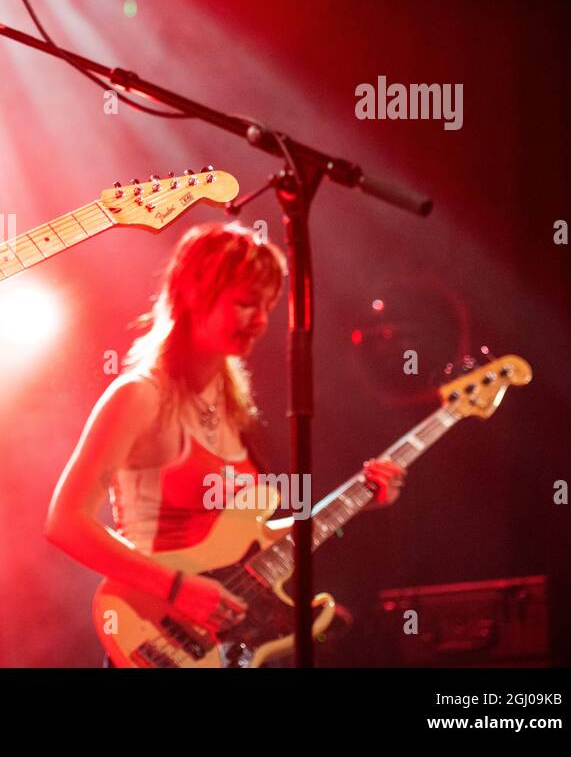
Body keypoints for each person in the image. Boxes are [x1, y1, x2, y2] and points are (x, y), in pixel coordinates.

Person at [43, 222, 404, 664]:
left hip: (216, 644)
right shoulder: (138, 396)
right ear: (194, 295)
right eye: (245, 304)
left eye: (267, 306)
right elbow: (65, 522)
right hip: (155, 633)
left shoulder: (231, 402)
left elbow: (246, 539)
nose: (260, 321)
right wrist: (177, 588)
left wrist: (357, 501)